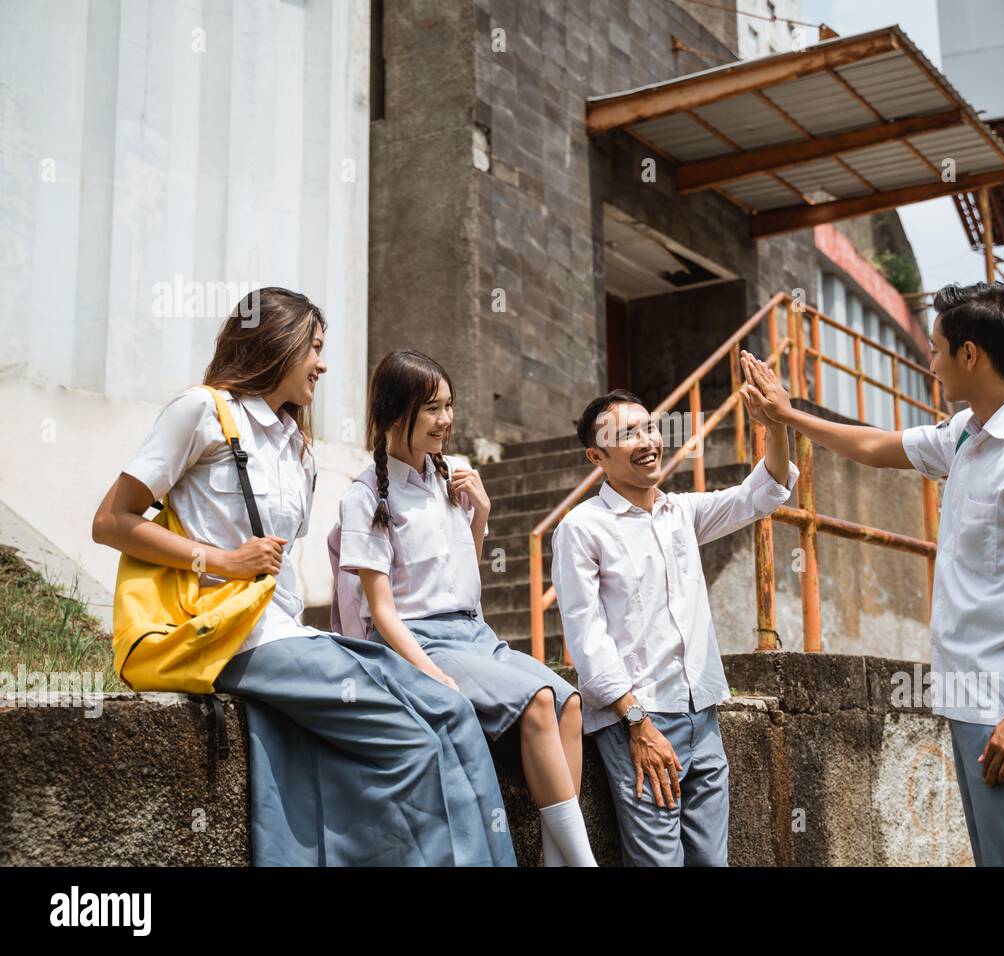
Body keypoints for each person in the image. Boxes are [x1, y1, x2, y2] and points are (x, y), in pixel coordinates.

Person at [92, 288, 516, 867]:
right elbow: (111, 521)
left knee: (452, 710)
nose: (323, 362)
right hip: (228, 633)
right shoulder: (202, 411)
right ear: (279, 343)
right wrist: (222, 561)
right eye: (315, 347)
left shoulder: (299, 449)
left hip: (288, 632)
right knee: (411, 742)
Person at [738, 281, 1004, 867]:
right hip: (971, 700)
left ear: (970, 354)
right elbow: (877, 446)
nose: (929, 362)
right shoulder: (966, 433)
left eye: (934, 349)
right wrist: (785, 414)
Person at [334, 349, 595, 867]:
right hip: (419, 640)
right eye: (432, 408)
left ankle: (556, 861)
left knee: (569, 704)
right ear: (393, 411)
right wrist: (430, 671)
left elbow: (463, 576)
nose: (446, 420)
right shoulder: (365, 496)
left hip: (476, 633)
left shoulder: (456, 474)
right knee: (539, 699)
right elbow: (382, 613)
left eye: (449, 406)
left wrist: (482, 514)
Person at [550, 388, 798, 866]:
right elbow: (586, 637)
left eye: (648, 428)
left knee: (711, 860)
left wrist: (776, 420)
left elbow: (762, 493)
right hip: (638, 719)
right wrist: (636, 723)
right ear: (596, 456)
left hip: (701, 714)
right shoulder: (582, 528)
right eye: (627, 435)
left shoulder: (678, 513)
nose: (646, 441)